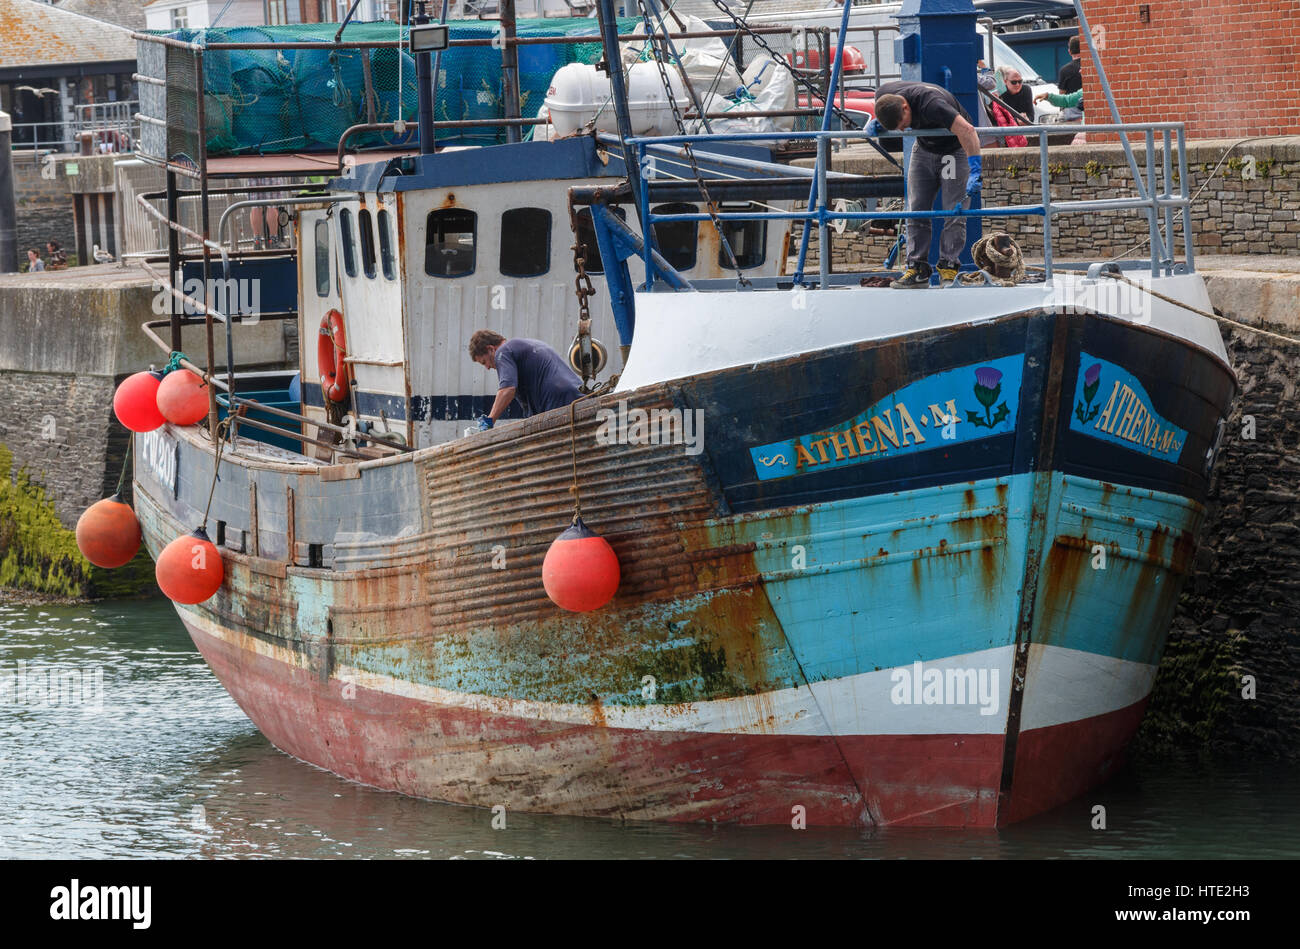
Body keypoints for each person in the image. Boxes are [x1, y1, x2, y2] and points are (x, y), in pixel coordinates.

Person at [868, 81, 983, 288]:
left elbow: (967, 130)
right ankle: (917, 268)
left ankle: (948, 268)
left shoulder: (932, 104)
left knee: (953, 212)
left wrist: (975, 168)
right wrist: (879, 123)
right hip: (923, 148)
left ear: (905, 107)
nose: (904, 129)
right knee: (916, 210)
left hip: (953, 150)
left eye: (904, 124)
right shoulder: (884, 96)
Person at [468, 330, 582, 431]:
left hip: (557, 402)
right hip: (576, 395)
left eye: (484, 362)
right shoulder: (526, 344)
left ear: (491, 349)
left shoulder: (502, 352)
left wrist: (489, 420)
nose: (487, 368)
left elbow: (507, 390)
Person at [1056, 36, 1085, 121]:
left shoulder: (1065, 70)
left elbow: (1062, 95)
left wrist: (1061, 111)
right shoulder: (1091, 66)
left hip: (1072, 113)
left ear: (1069, 51)